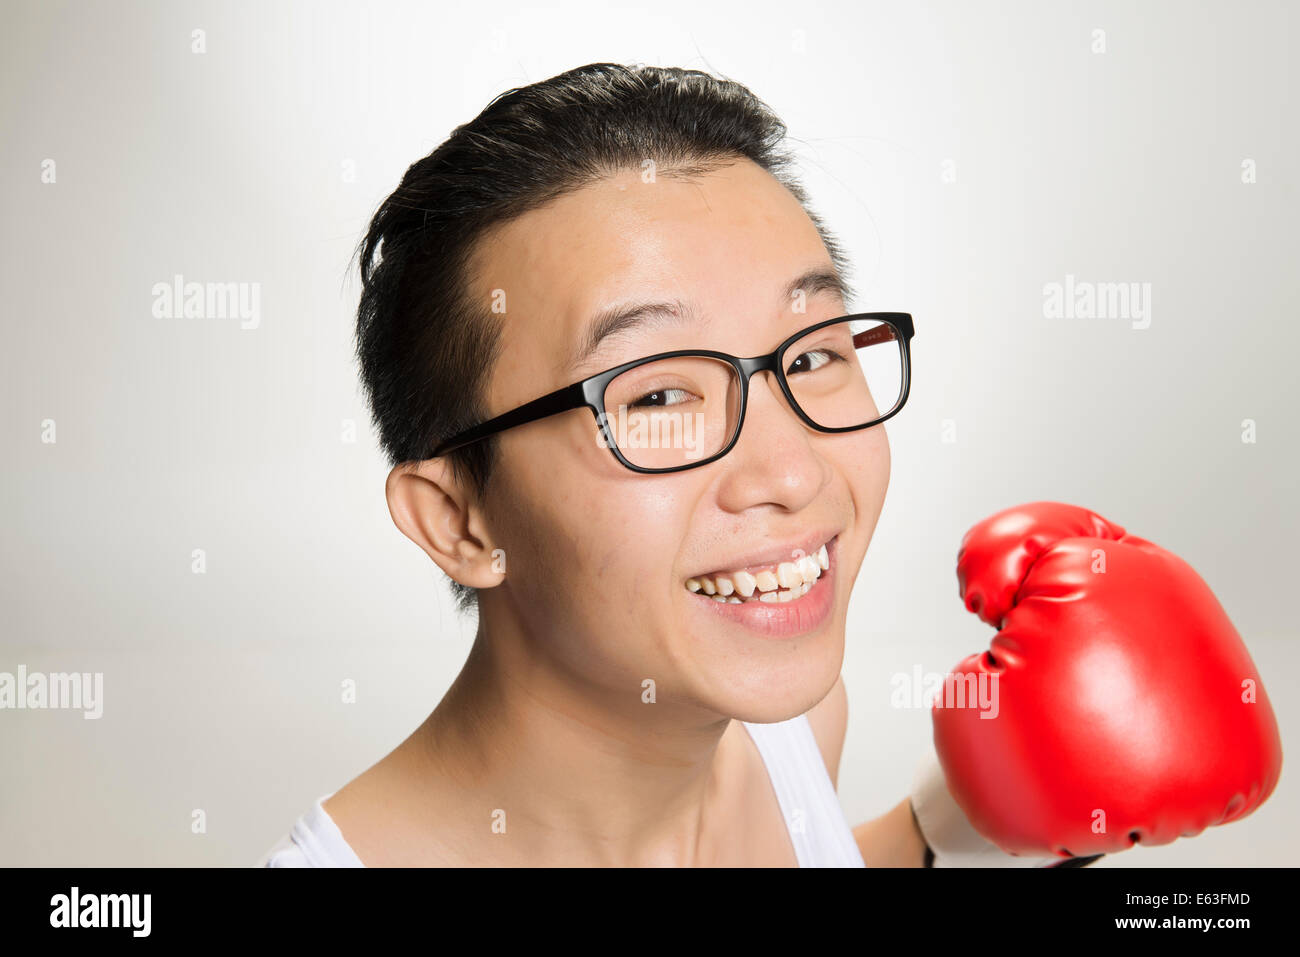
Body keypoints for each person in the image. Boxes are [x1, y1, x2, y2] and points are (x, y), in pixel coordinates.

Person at [259, 63, 1280, 867]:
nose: (791, 472)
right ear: (459, 522)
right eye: (658, 393)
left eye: (814, 352)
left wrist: (947, 827)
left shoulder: (782, 725)